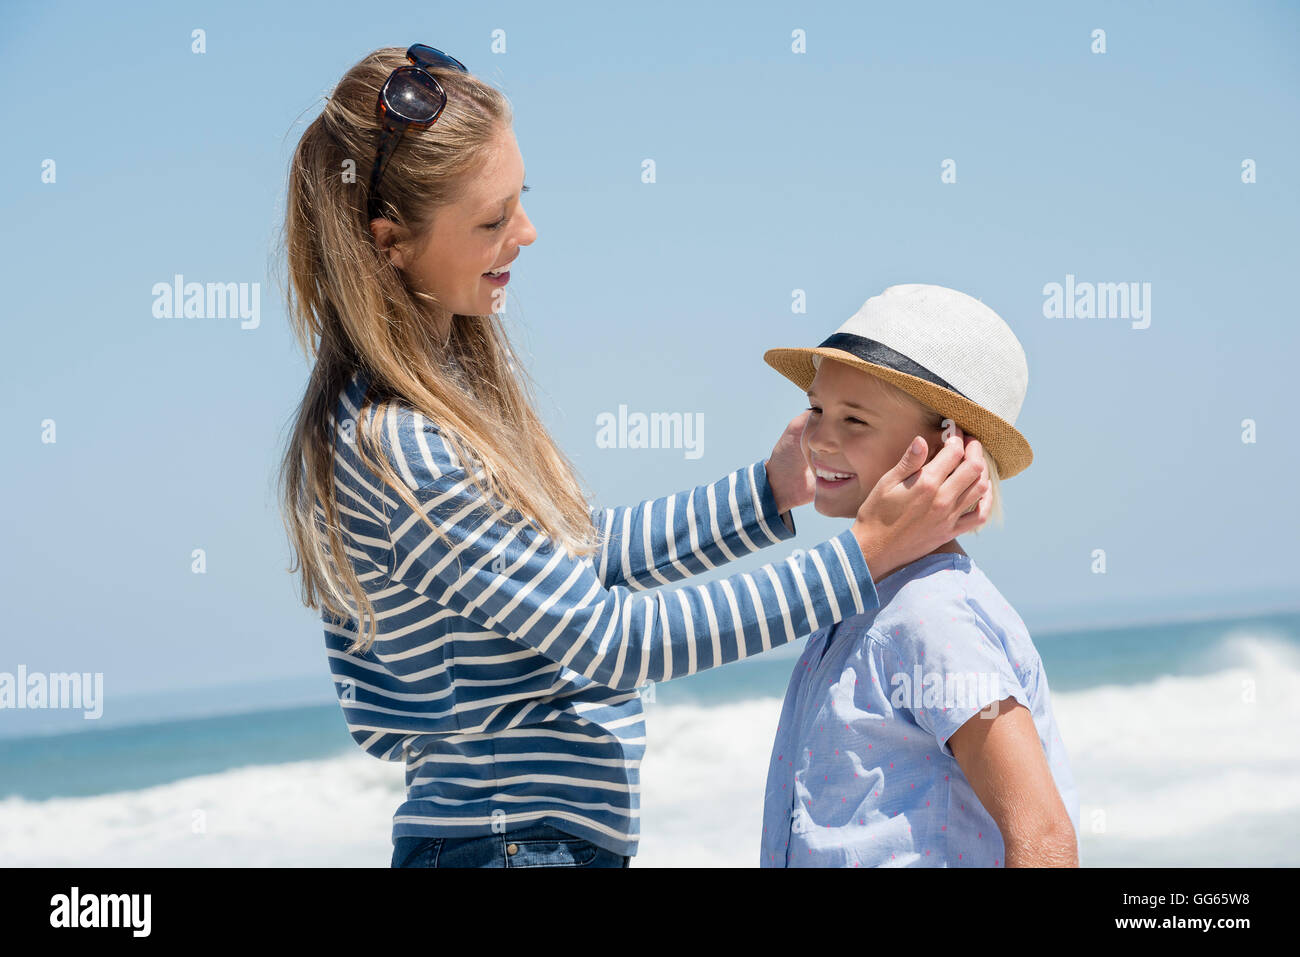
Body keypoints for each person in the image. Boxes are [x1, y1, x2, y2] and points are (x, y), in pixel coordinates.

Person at [275, 46, 993, 868]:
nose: (527, 233)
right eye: (490, 220)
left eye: (521, 202)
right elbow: (616, 641)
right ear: (390, 241)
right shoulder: (403, 444)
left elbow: (578, 556)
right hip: (509, 844)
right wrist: (865, 556)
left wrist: (770, 491)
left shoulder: (435, 403)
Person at [758, 283, 1080, 867]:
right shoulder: (865, 603)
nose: (821, 437)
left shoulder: (932, 616)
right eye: (817, 409)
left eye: (855, 420)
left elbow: (1044, 835)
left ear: (949, 451)